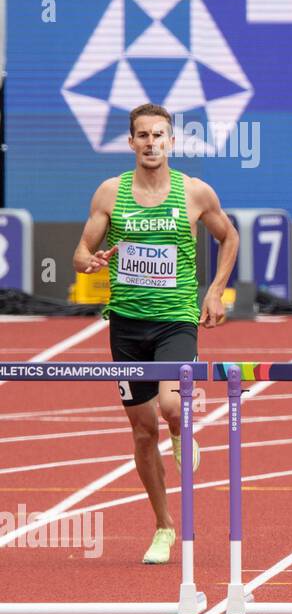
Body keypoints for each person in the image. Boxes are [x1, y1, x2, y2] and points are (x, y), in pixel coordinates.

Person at [74, 103, 239, 564]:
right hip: (126, 324)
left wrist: (216, 293)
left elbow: (229, 237)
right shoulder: (110, 193)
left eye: (158, 136)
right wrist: (87, 261)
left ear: (171, 142)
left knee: (171, 403)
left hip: (175, 319)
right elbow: (81, 251)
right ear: (131, 143)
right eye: (142, 136)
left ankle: (183, 431)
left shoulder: (194, 193)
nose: (150, 143)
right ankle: (164, 526)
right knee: (142, 431)